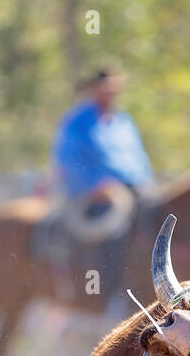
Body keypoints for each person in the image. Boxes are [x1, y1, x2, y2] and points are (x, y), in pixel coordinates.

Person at [51, 67, 155, 311]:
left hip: (133, 191)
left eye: (114, 90)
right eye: (105, 90)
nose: (110, 95)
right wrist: (96, 185)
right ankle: (111, 297)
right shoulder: (77, 122)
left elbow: (139, 158)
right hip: (96, 196)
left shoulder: (123, 122)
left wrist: (144, 182)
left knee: (154, 225)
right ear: (94, 91)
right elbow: (69, 160)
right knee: (114, 231)